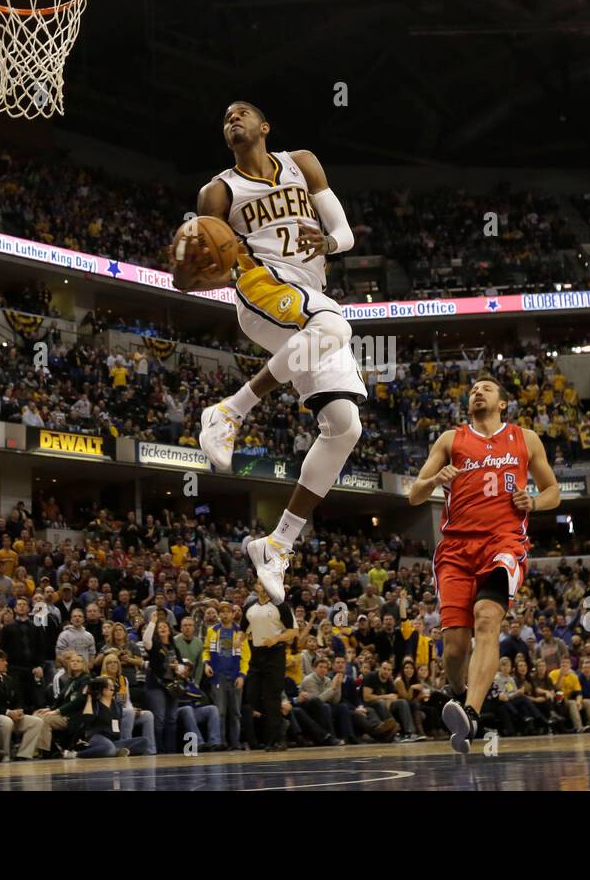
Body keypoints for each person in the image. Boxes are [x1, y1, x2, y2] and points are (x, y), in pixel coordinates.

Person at [187, 102, 367, 605]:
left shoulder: (302, 163)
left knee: (344, 425)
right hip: (263, 290)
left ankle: (276, 544)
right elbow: (207, 261)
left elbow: (346, 235)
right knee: (336, 325)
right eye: (225, 116)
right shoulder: (217, 191)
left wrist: (328, 241)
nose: (232, 118)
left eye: (243, 112)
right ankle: (229, 411)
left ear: (265, 126)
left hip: (310, 299)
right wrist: (193, 272)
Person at [408, 376, 560, 753]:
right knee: (455, 647)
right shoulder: (450, 439)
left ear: (502, 403)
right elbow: (414, 494)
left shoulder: (526, 438)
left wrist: (534, 502)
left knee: (488, 618)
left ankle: (472, 714)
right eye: (473, 389)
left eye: (486, 388)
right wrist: (434, 480)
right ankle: (458, 695)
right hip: (456, 548)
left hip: (504, 543)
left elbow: (553, 490)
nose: (477, 392)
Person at [242, 580, 297, 751]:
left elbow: (293, 632)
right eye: (260, 584)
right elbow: (243, 629)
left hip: (275, 654)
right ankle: (280, 725)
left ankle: (277, 740)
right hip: (256, 655)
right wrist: (238, 639)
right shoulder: (249, 607)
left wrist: (276, 638)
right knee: (251, 695)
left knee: (272, 698)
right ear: (256, 587)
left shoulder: (281, 605)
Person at [0, 649, 49, 760]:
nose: (6, 663)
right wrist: (8, 712)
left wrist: (19, 711)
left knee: (37, 722)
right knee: (7, 722)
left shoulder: (9, 679)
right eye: (2, 660)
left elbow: (18, 699)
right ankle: (5, 755)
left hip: (11, 715)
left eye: (6, 660)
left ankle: (23, 754)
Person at [201, 600, 249, 750]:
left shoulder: (240, 633)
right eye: (222, 611)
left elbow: (246, 656)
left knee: (235, 712)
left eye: (228, 611)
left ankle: (235, 743)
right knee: (219, 711)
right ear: (219, 614)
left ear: (233, 614)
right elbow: (206, 650)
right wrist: (206, 664)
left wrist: (242, 676)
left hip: (235, 675)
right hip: (218, 675)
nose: (225, 614)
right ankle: (221, 742)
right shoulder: (212, 631)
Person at [144, 619, 184, 753]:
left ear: (169, 629)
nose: (162, 628)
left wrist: (177, 667)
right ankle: (159, 749)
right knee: (159, 718)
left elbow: (182, 668)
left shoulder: (174, 647)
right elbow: (145, 641)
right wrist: (152, 622)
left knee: (172, 718)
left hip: (172, 685)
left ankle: (171, 749)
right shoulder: (154, 645)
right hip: (156, 685)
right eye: (159, 627)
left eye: (164, 626)